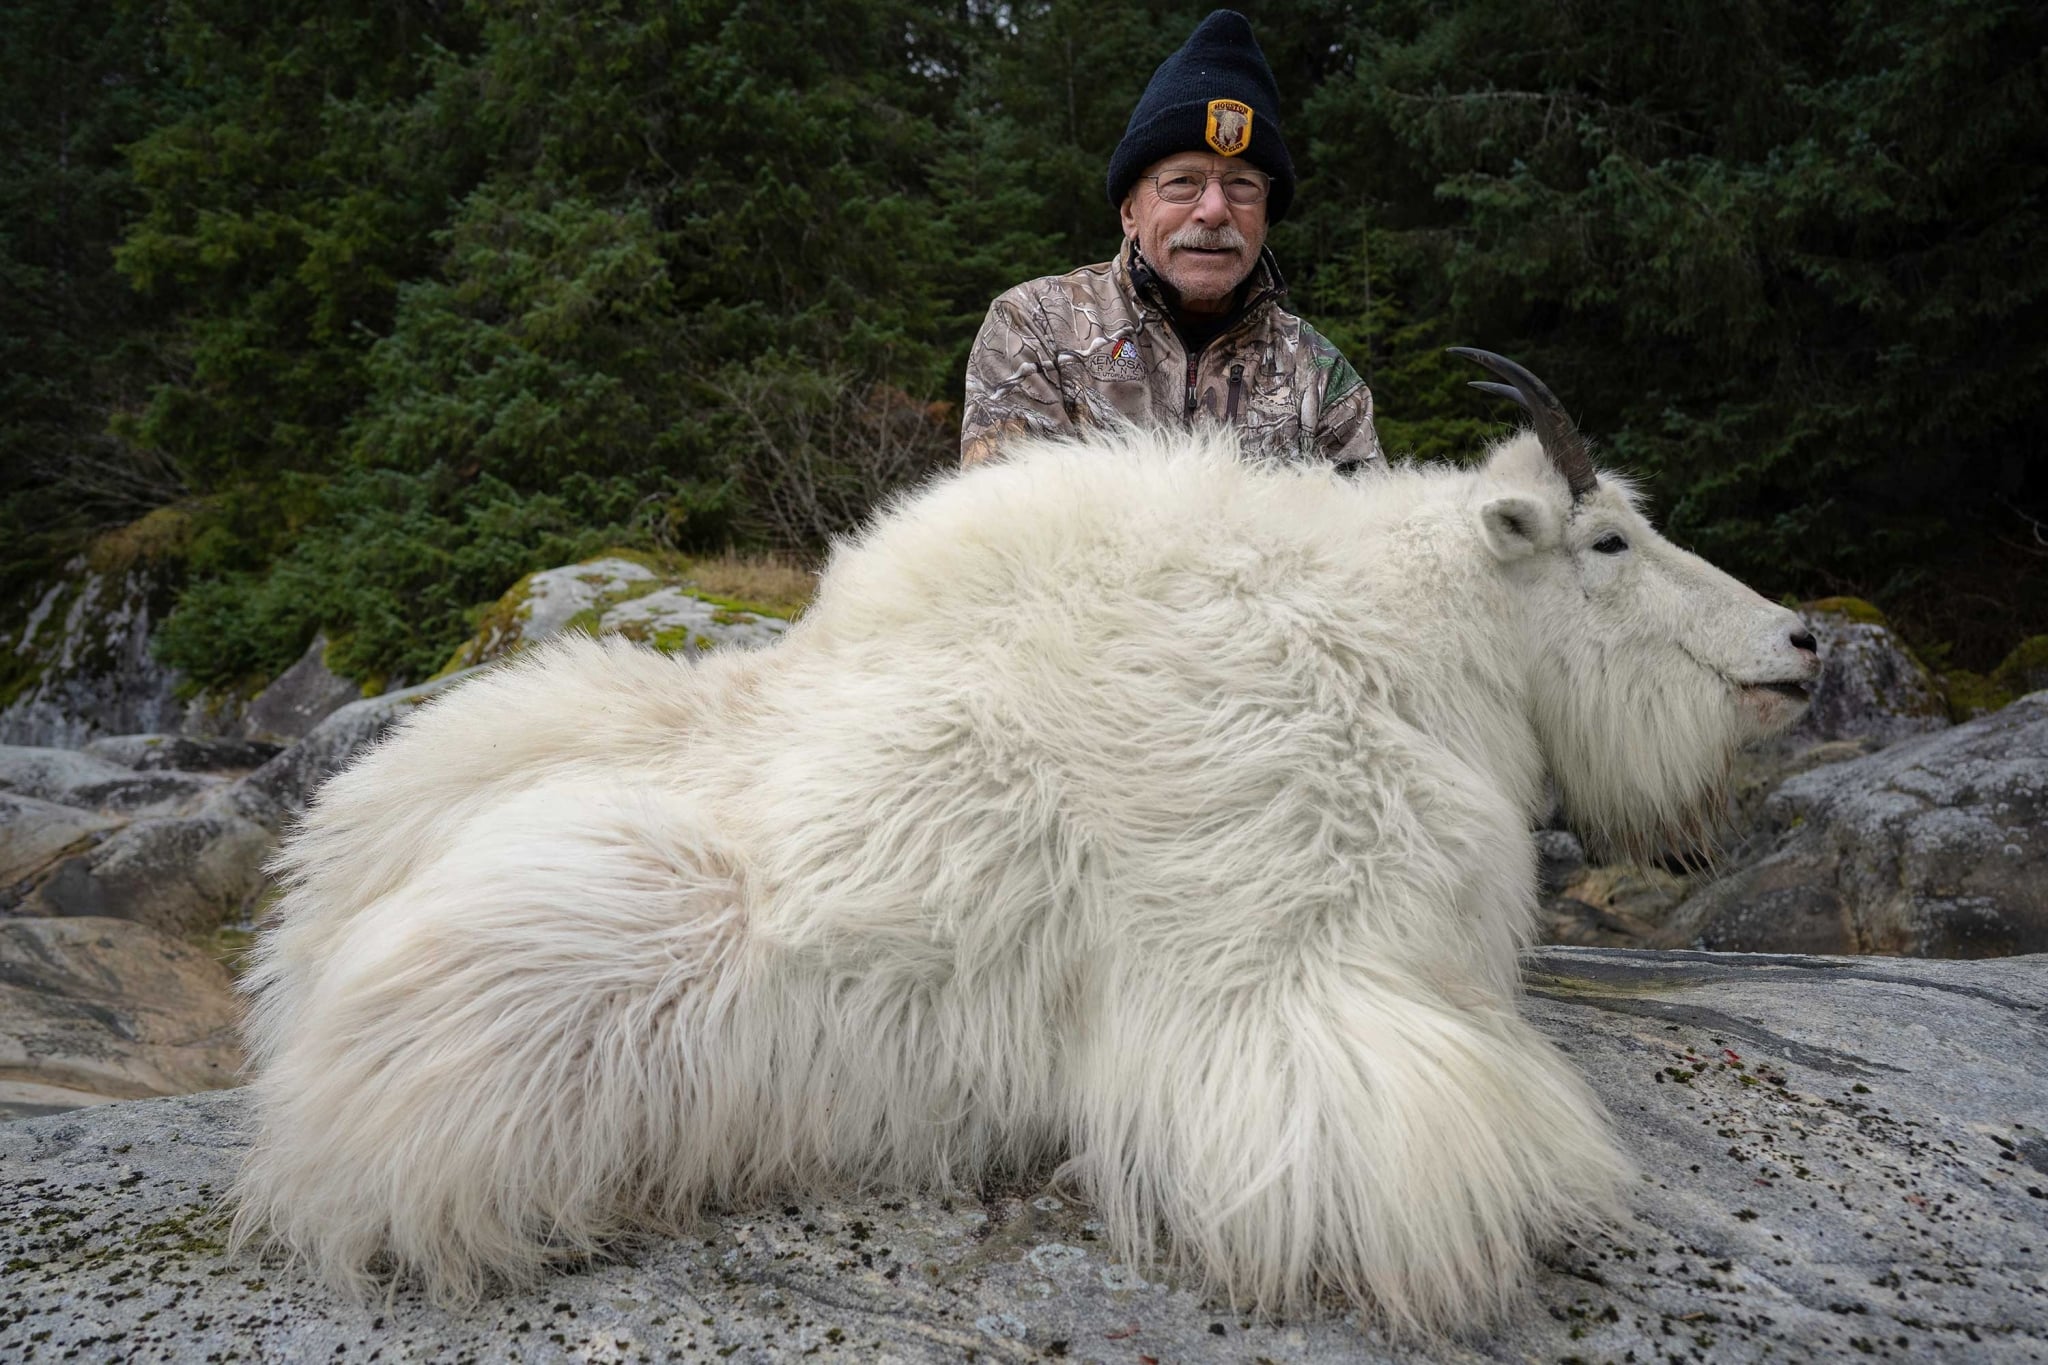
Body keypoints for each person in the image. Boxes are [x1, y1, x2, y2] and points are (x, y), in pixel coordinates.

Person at [960, 9, 1384, 472]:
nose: (1215, 209)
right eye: (1182, 181)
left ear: (1266, 214)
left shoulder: (1319, 378)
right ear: (1130, 213)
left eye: (1243, 184)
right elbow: (1014, 526)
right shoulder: (1036, 330)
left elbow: (1365, 537)